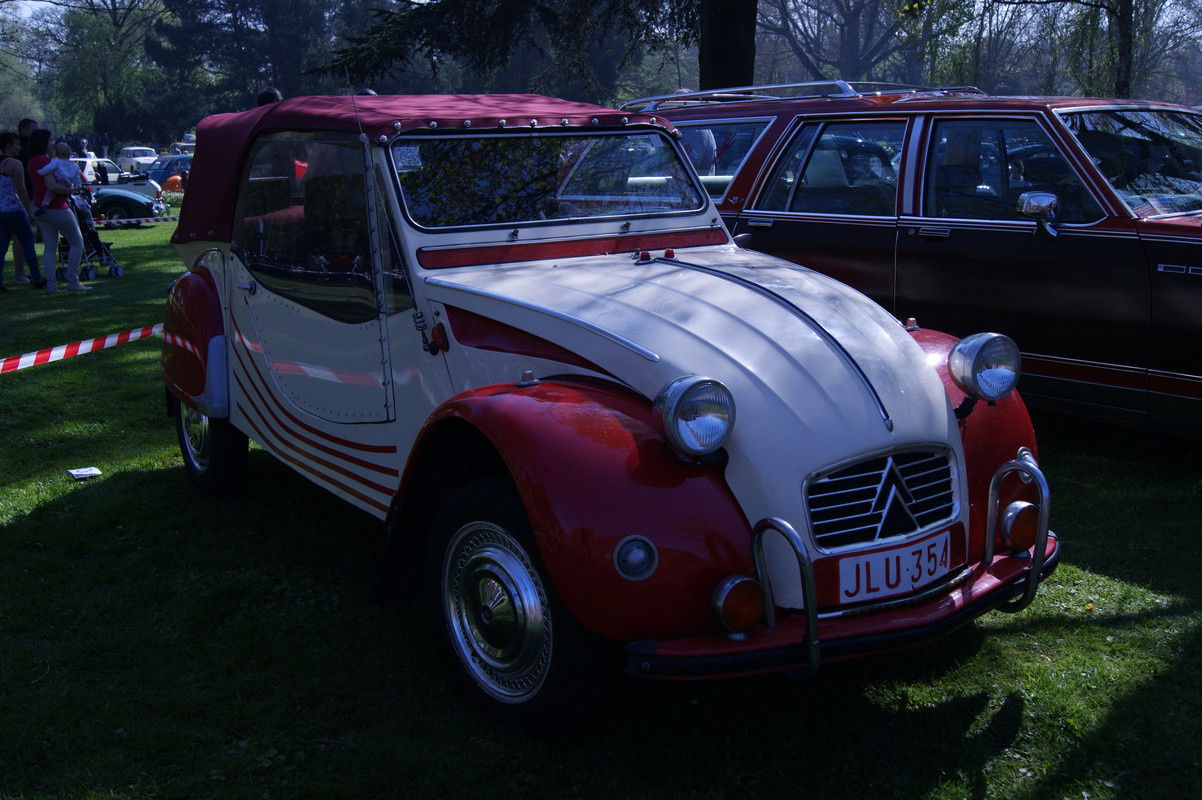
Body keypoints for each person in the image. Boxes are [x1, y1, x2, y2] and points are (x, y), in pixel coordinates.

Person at [27, 128, 90, 292]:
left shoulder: (31, 161)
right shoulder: (45, 162)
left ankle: (52, 286)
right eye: (49, 141)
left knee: (49, 248)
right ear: (43, 143)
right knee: (77, 242)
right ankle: (73, 281)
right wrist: (73, 190)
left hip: (40, 207)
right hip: (57, 207)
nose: (52, 144)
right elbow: (53, 186)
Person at [0, 131, 46, 292]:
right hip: (14, 209)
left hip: (1, 212)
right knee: (27, 243)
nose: (20, 147)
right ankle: (37, 278)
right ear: (8, 145)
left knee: (2, 247)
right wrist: (28, 211)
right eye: (17, 144)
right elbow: (21, 189)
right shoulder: (15, 164)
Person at [9, 117, 38, 285]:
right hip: (25, 196)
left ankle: (20, 271)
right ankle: (20, 273)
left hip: (15, 199)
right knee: (24, 237)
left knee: (16, 238)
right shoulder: (25, 151)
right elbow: (23, 184)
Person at [35, 142, 82, 214]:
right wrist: (78, 185)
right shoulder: (75, 165)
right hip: (68, 184)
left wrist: (40, 172)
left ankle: (44, 205)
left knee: (50, 193)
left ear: (56, 154)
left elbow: (49, 168)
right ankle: (67, 204)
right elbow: (77, 177)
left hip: (59, 182)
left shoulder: (56, 161)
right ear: (69, 154)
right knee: (65, 196)